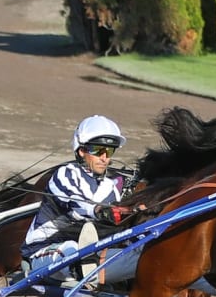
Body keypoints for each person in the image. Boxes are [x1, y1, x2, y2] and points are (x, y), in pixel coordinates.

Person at [23, 115, 145, 286]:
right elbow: (76, 203)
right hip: (46, 250)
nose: (104, 157)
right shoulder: (65, 174)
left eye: (109, 151)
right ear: (82, 151)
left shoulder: (111, 187)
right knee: (72, 249)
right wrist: (100, 211)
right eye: (98, 150)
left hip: (90, 252)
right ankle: (89, 273)